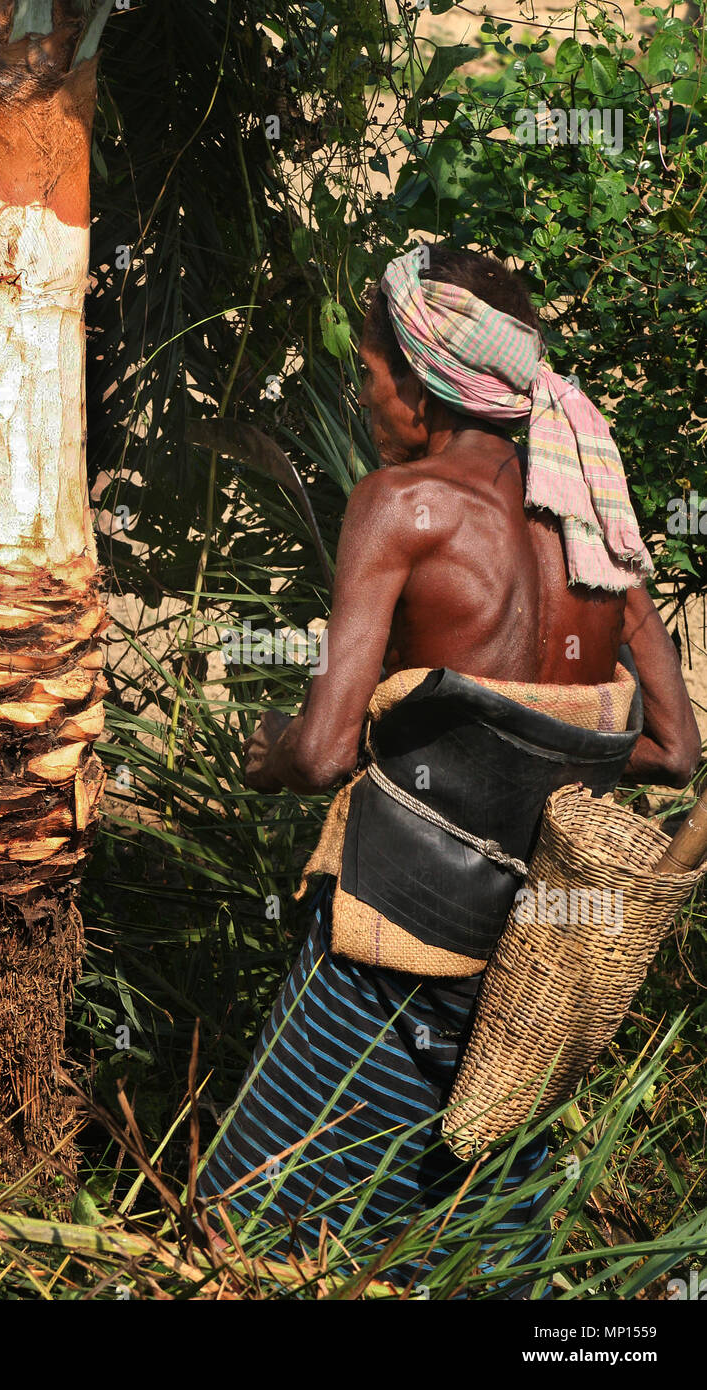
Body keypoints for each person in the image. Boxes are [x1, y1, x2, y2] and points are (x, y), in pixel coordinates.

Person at [196, 246, 701, 1296]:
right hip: (523, 972)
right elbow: (670, 749)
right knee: (476, 1254)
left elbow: (329, 748)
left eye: (371, 376)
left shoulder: (400, 504)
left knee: (250, 1233)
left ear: (421, 385)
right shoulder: (592, 523)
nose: (367, 399)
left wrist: (271, 749)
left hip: (381, 954)